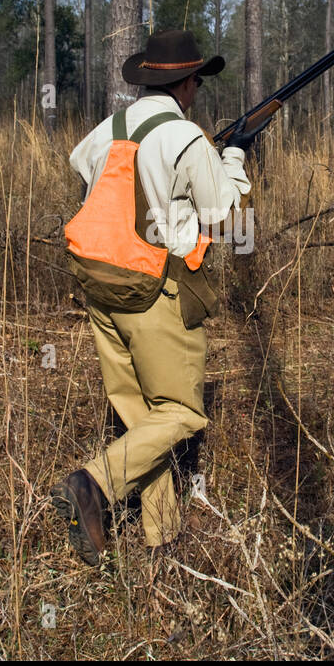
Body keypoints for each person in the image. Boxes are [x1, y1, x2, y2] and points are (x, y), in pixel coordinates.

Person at [52, 29, 258, 566]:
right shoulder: (187, 137)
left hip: (100, 285)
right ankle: (93, 483)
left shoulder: (105, 131)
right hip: (157, 289)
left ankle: (161, 536)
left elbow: (93, 181)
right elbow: (221, 212)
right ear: (188, 83)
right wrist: (233, 156)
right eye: (197, 82)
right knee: (182, 412)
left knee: (140, 412)